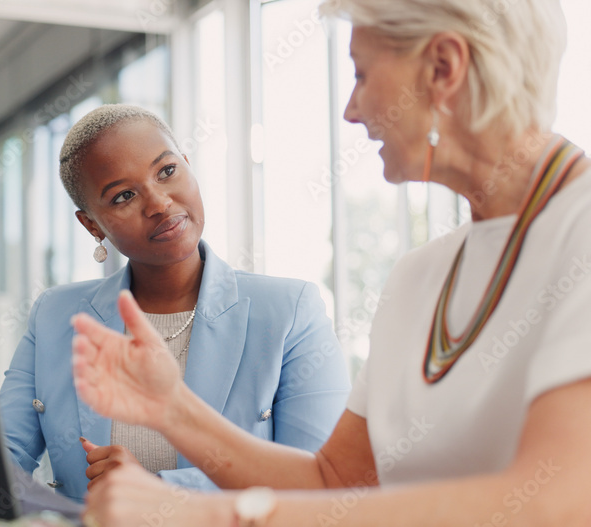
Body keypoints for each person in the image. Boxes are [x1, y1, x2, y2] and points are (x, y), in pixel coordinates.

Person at [70, 1, 591, 525]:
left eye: (362, 74)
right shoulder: (420, 275)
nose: (352, 109)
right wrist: (172, 408)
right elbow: (335, 485)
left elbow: (557, 503)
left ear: (442, 68)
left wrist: (208, 514)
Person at [0, 104, 351, 503]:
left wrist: (160, 491)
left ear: (186, 163)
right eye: (124, 196)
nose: (159, 203)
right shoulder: (56, 316)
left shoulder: (289, 311)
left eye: (166, 171)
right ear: (92, 224)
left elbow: (325, 487)